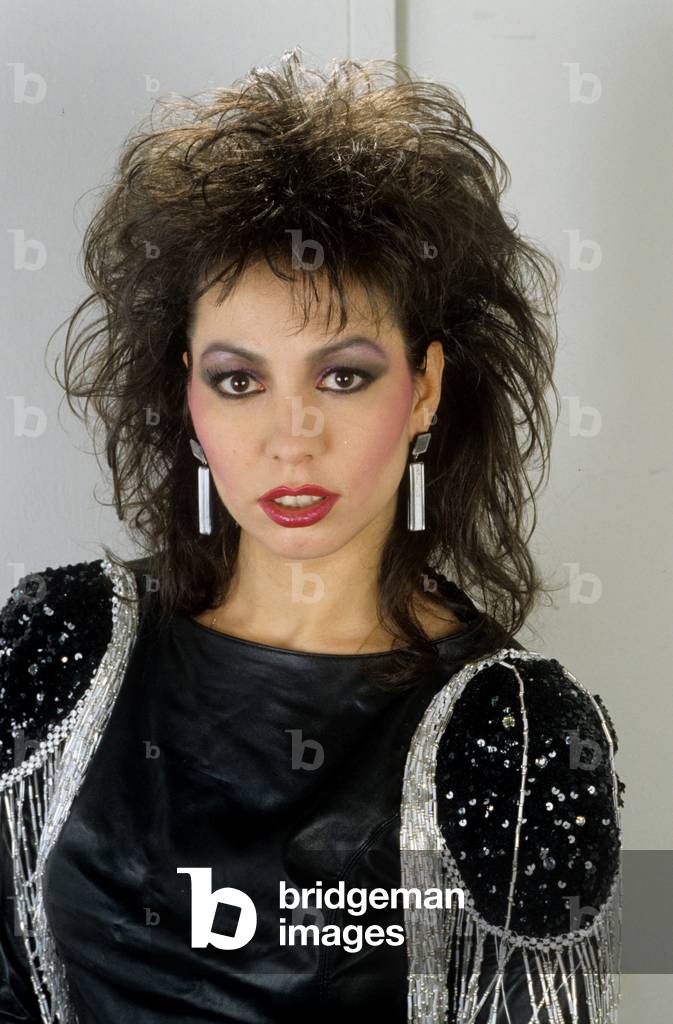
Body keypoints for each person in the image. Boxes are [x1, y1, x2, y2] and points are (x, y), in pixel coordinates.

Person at [0, 48, 624, 1023]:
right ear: (188, 392)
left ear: (423, 388)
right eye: (239, 379)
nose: (290, 438)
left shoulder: (520, 736)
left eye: (341, 375)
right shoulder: (62, 639)